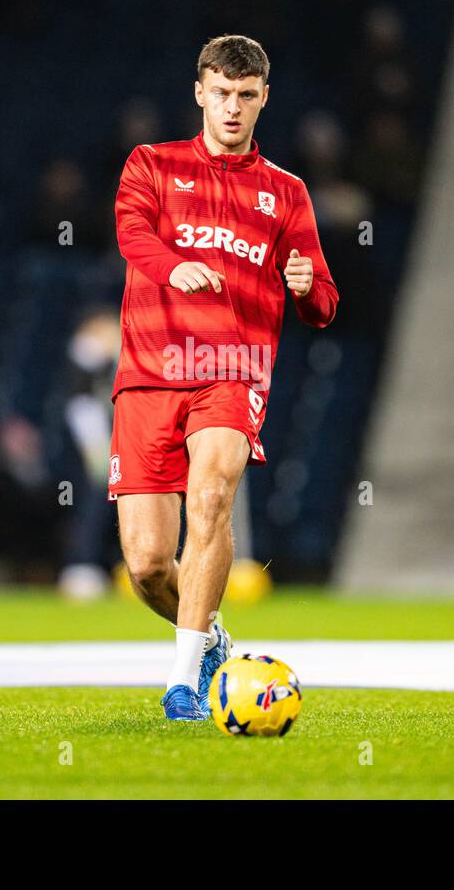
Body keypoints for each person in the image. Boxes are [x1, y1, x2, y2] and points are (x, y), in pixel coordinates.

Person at [109, 35, 339, 721]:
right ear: (199, 92)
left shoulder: (287, 194)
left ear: (264, 97)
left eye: (246, 95)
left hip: (231, 374)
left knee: (210, 499)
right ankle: (209, 639)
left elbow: (323, 302)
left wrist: (304, 284)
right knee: (148, 564)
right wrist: (169, 265)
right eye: (221, 93)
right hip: (149, 374)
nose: (232, 107)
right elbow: (131, 233)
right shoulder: (151, 164)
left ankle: (182, 684)